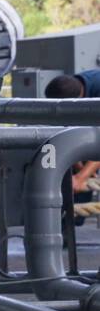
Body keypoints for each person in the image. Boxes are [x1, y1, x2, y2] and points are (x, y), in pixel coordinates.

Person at [44, 74, 100, 219]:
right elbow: (67, 132)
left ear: (78, 99)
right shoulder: (69, 86)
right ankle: (67, 224)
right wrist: (81, 170)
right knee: (73, 194)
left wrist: (82, 177)